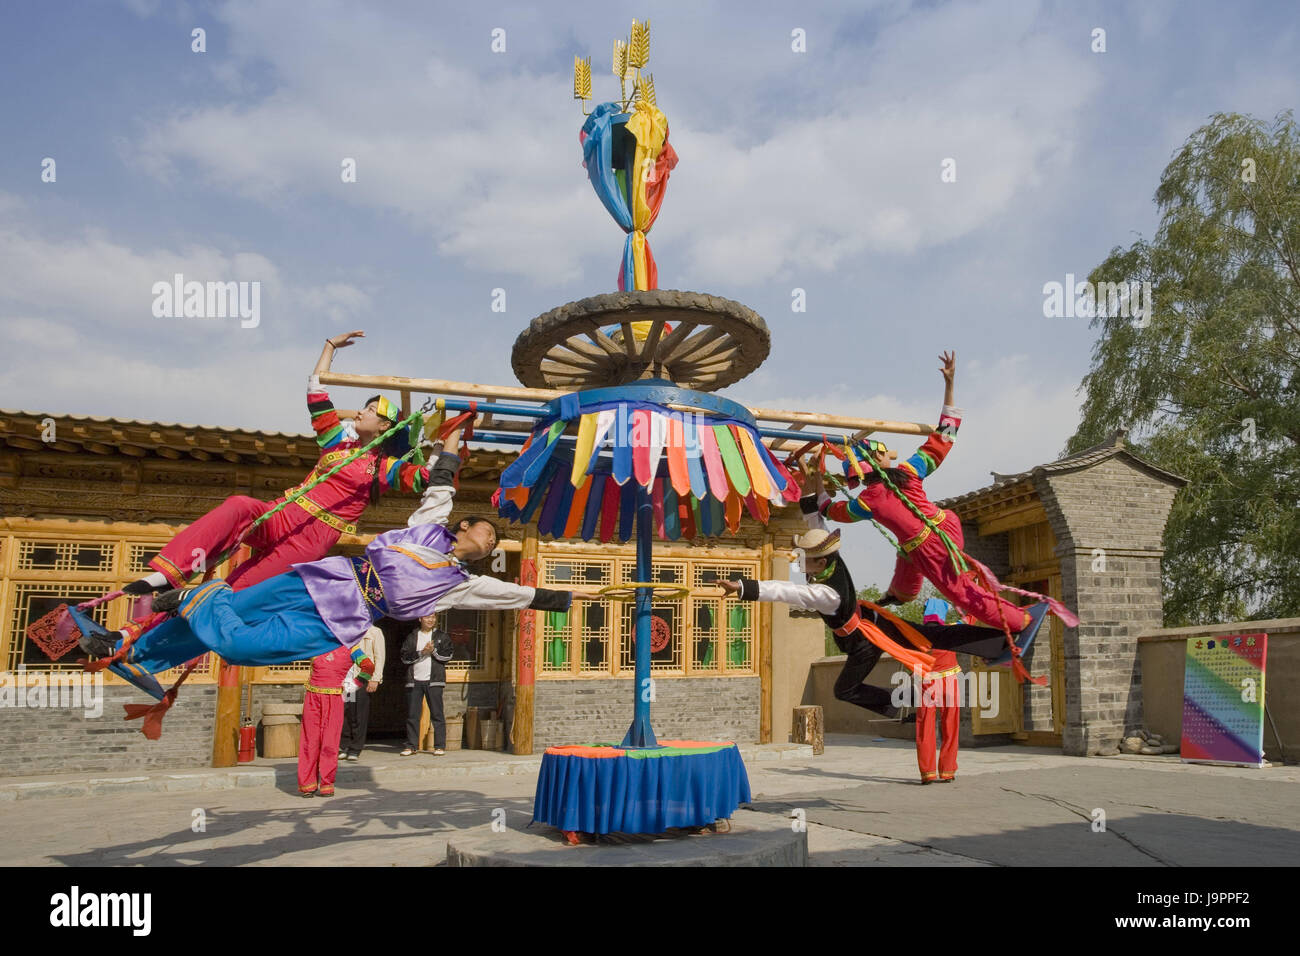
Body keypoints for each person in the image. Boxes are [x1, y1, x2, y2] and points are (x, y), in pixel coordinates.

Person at [72, 424, 586, 722]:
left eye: (495, 543)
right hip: (324, 579)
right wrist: (450, 439)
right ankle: (128, 649)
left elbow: (512, 594)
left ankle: (193, 599)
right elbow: (441, 485)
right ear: (465, 526)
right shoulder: (427, 529)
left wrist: (561, 599)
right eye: (488, 533)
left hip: (347, 616)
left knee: (240, 646)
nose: (493, 542)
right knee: (236, 603)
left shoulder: (461, 584)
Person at [121, 330, 435, 596]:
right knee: (239, 505)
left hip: (310, 538)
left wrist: (451, 437)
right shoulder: (337, 443)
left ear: (384, 426)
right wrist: (328, 348)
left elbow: (427, 477)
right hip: (283, 513)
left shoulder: (385, 468)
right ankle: (166, 576)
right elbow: (317, 395)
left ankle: (141, 638)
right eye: (363, 407)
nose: (360, 412)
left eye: (370, 410)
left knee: (233, 592)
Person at [719, 472, 1046, 719]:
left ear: (819, 560)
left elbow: (786, 591)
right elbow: (814, 521)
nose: (802, 563)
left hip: (865, 640)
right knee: (932, 635)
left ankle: (901, 706)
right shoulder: (829, 564)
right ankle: (998, 644)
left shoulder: (824, 591)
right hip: (873, 624)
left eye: (805, 558)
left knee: (844, 689)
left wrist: (745, 587)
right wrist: (814, 486)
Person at [817, 352, 1037, 636]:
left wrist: (816, 486)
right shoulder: (908, 472)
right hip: (941, 527)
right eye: (882, 452)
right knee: (906, 551)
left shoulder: (866, 501)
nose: (887, 454)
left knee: (961, 592)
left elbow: (831, 511)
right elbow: (942, 440)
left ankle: (1022, 623)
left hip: (931, 546)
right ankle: (901, 594)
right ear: (875, 462)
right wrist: (950, 384)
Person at [298, 644, 373, 796]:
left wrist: (354, 684)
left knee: (329, 742)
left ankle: (327, 783)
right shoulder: (317, 643)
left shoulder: (352, 648)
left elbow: (368, 667)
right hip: (312, 697)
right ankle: (308, 784)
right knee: (309, 741)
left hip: (334, 698)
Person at [400, 615, 452, 756]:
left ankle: (439, 746)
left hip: (434, 681)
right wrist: (422, 652)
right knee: (413, 715)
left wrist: (433, 651)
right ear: (420, 619)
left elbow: (448, 656)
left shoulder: (442, 636)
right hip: (414, 680)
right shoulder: (412, 636)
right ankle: (411, 746)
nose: (431, 620)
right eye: (427, 617)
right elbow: (404, 657)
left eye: (433, 617)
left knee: (437, 714)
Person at [340, 623, 386, 761]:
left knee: (358, 714)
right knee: (344, 712)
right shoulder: (345, 629)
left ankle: (355, 748)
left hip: (362, 676)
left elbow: (379, 656)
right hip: (346, 677)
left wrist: (376, 678)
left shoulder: (374, 632)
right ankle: (344, 745)